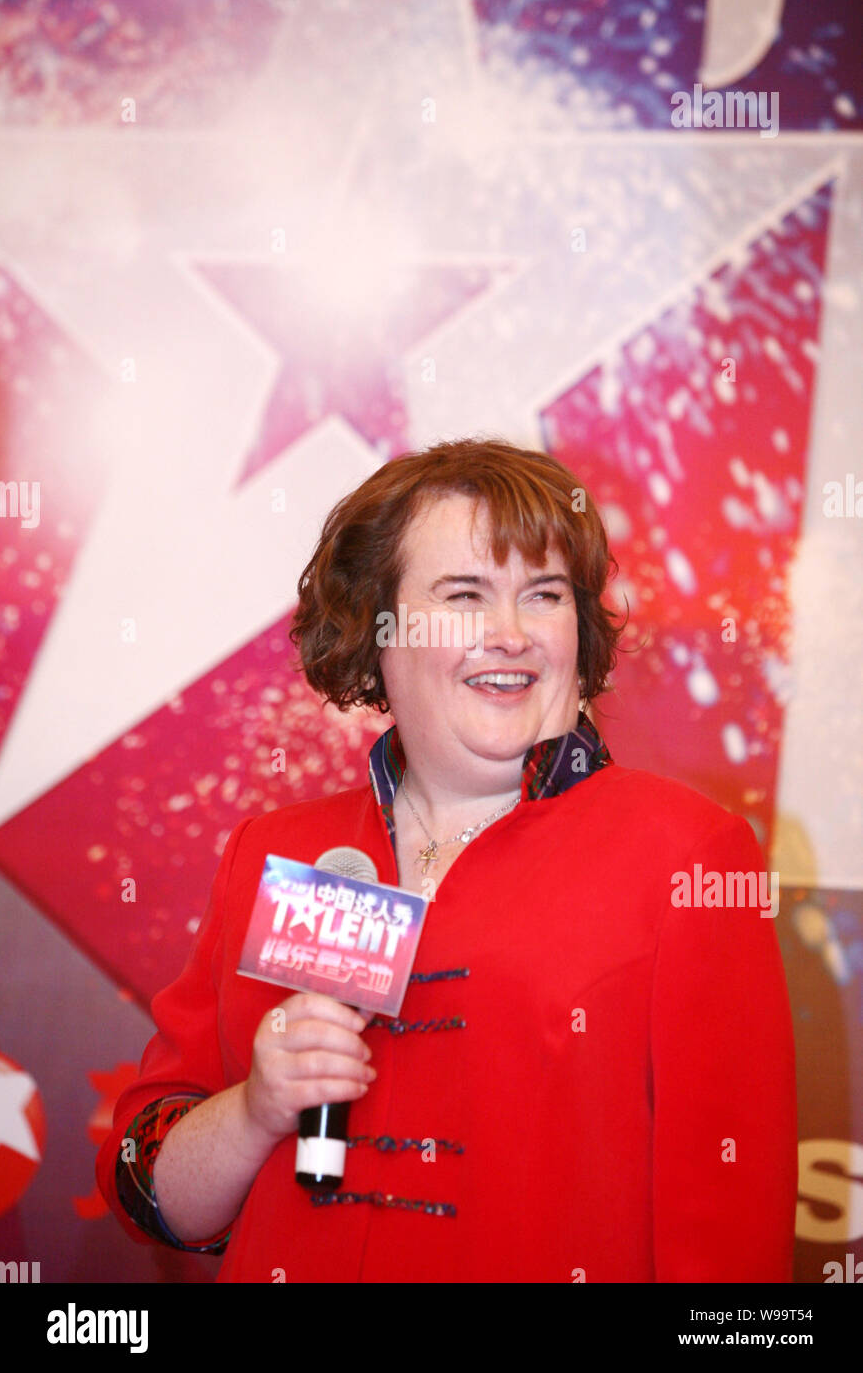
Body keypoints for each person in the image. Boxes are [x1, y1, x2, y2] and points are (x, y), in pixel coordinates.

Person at [96, 436, 797, 1282]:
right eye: (464, 595)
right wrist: (255, 1110)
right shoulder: (277, 851)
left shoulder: (686, 855)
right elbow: (148, 1191)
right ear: (377, 630)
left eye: (542, 595)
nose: (509, 634)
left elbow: (731, 1242)